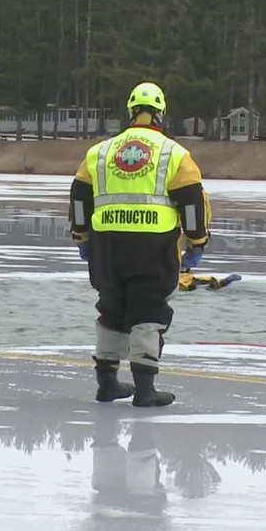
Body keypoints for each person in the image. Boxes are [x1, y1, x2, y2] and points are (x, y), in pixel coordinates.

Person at [68, 81, 208, 407]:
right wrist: (197, 242)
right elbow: (191, 202)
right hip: (154, 246)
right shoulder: (175, 154)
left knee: (112, 308)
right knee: (147, 311)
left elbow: (79, 199)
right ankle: (144, 390)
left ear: (131, 112)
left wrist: (82, 238)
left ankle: (107, 383)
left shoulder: (99, 152)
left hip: (106, 246)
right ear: (161, 113)